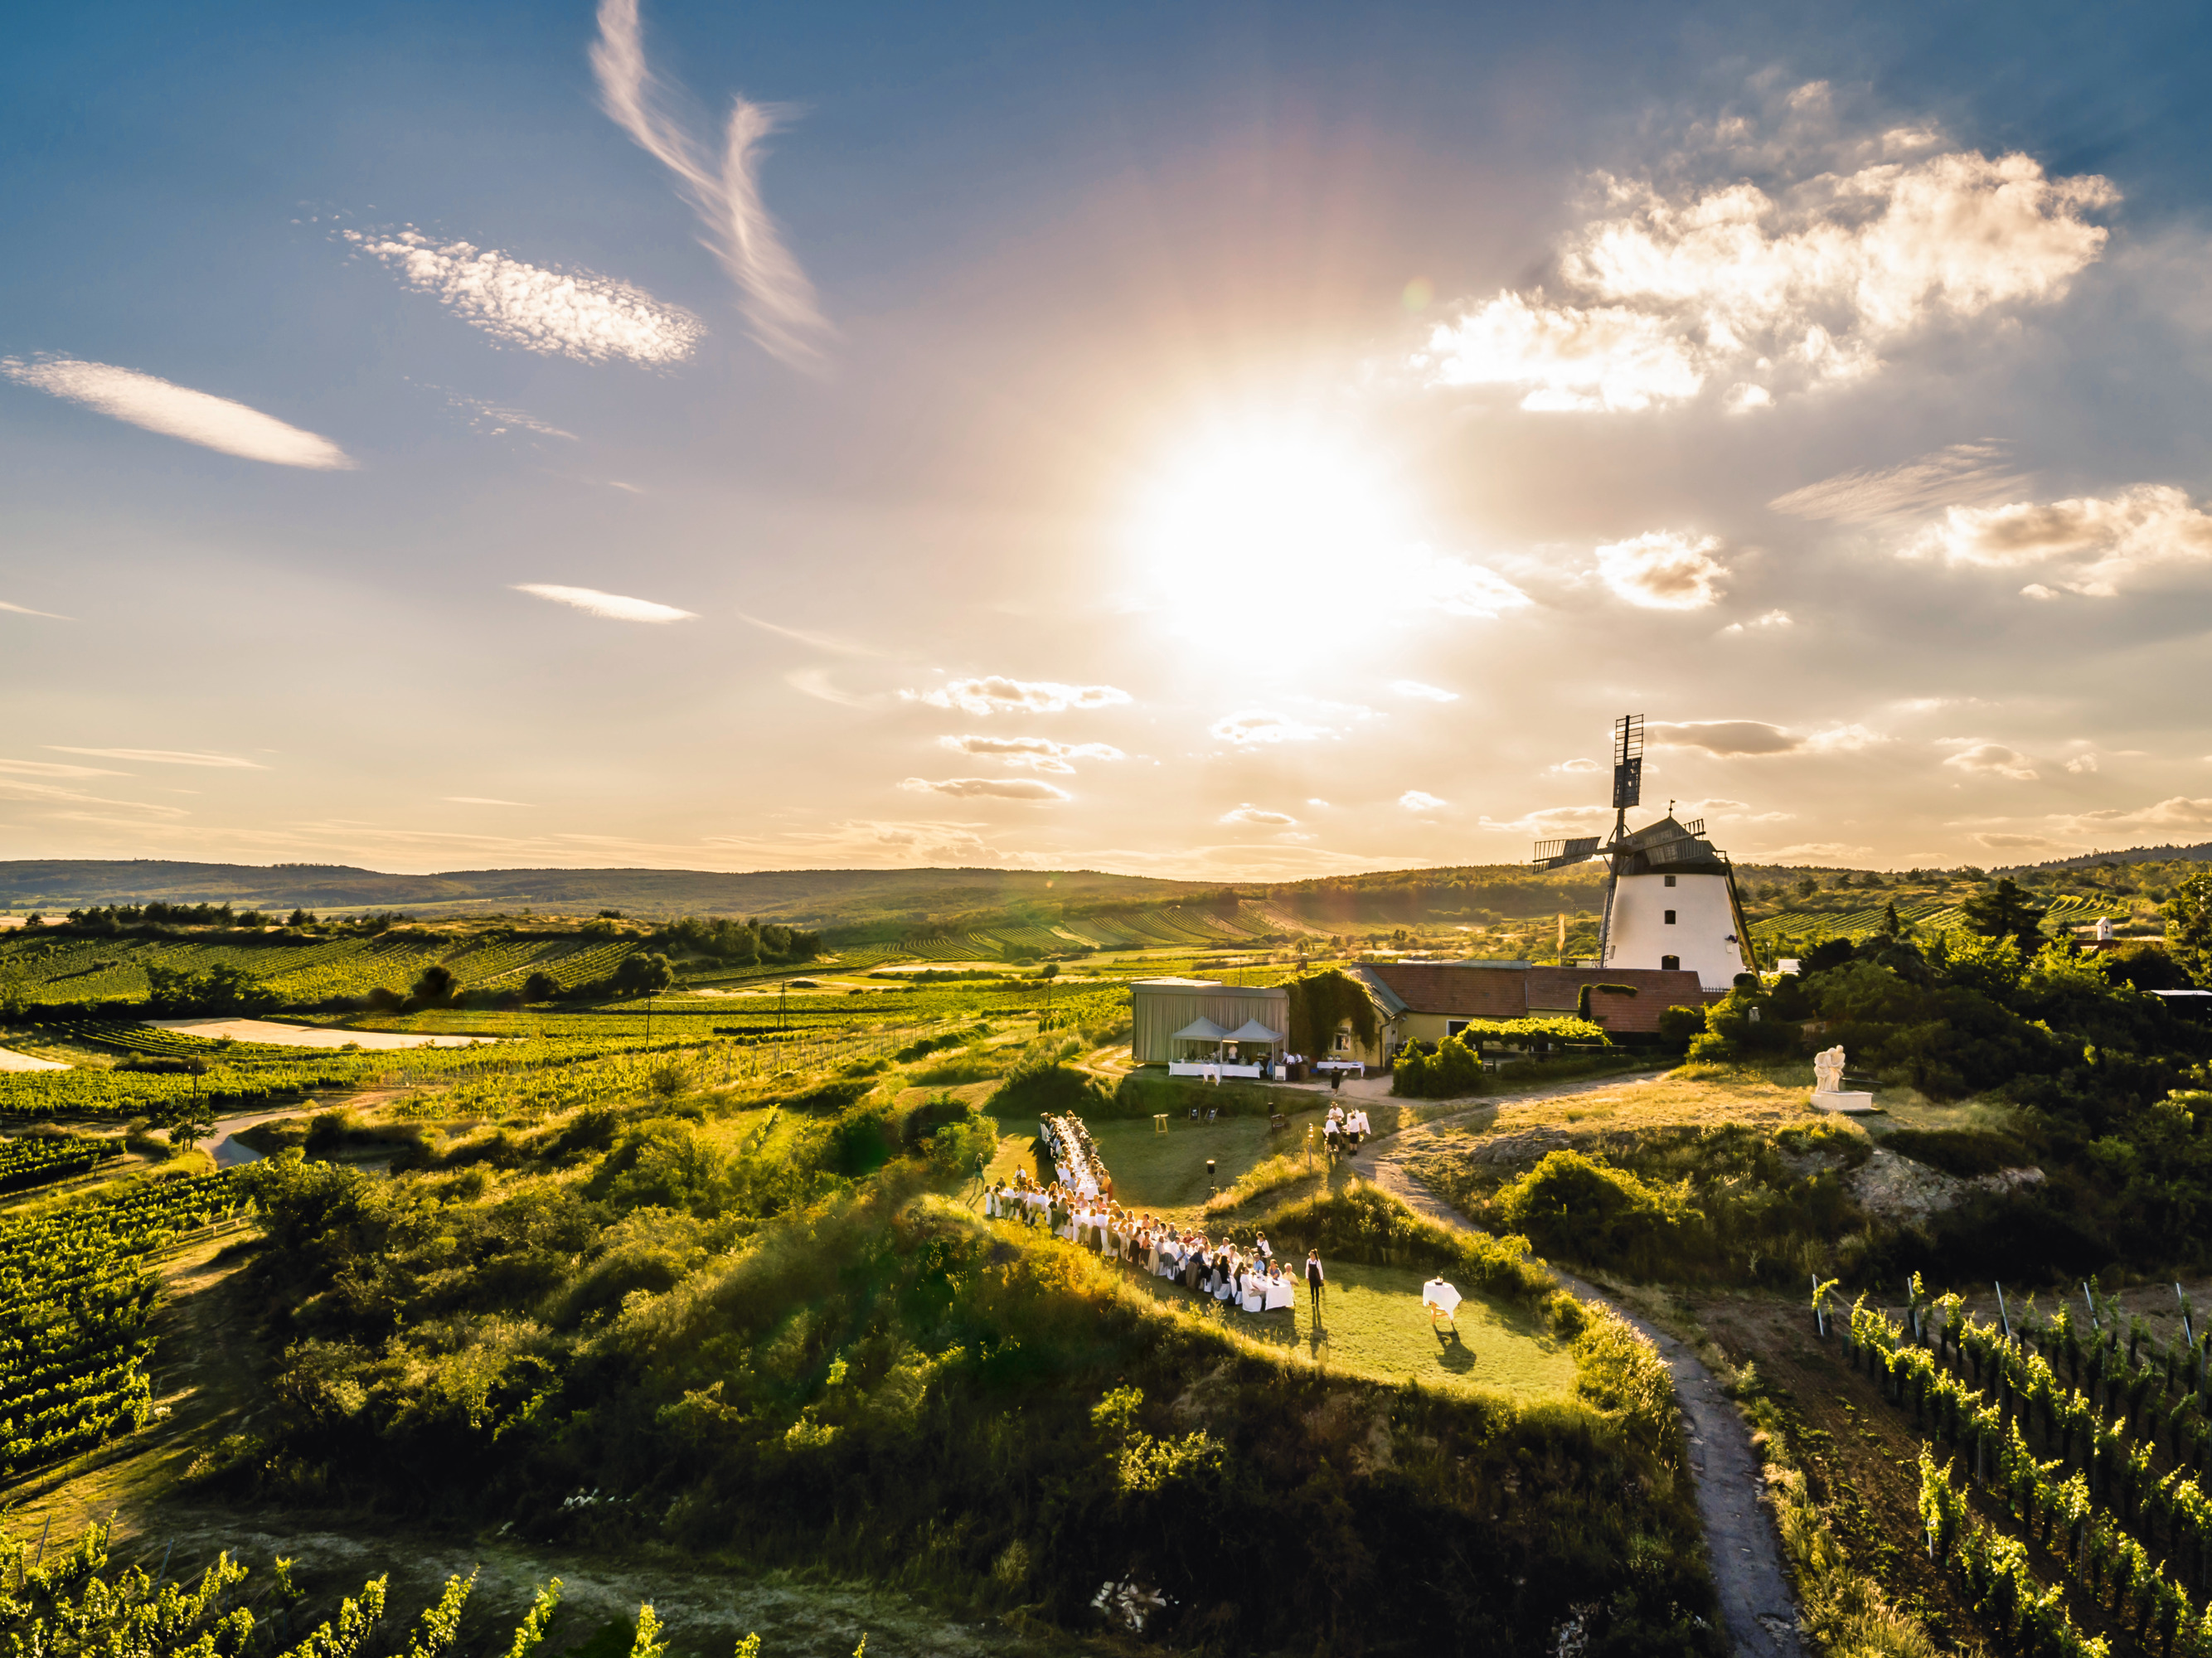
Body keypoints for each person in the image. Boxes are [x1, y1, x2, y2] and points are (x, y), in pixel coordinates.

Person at [1305, 1249, 1325, 1315]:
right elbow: (1307, 1269)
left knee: (1317, 1290)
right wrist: (1307, 1277)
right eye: (1310, 1254)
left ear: (1314, 1255)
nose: (1310, 1255)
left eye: (1312, 1254)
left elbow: (1320, 1270)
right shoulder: (1308, 1261)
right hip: (1311, 1277)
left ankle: (1317, 1302)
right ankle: (1313, 1299)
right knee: (1312, 1289)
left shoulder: (1318, 1261)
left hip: (1316, 1277)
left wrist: (1321, 1278)